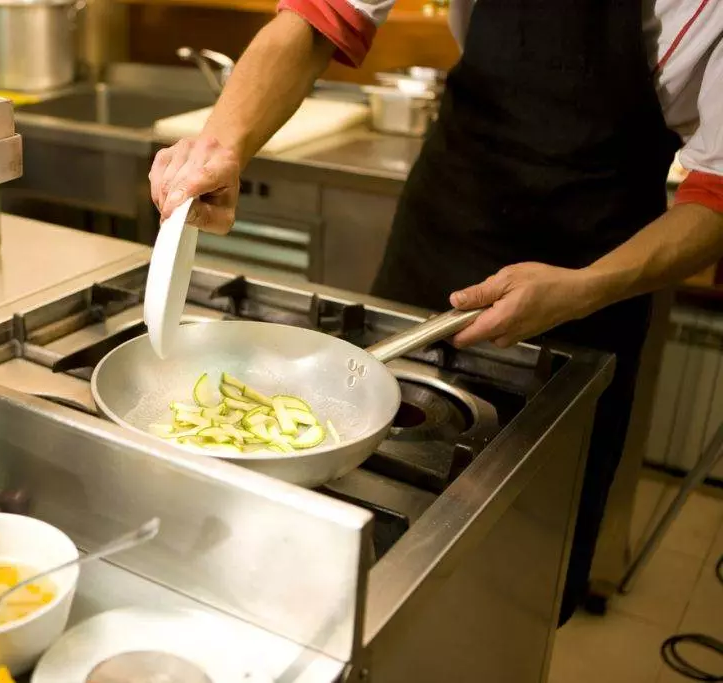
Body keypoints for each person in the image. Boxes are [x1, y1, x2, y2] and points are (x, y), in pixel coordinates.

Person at [148, 0, 723, 624]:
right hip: (450, 216)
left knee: (523, 567)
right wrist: (222, 145)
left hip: (596, 263)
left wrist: (587, 286)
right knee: (363, 509)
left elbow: (717, 193)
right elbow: (316, 19)